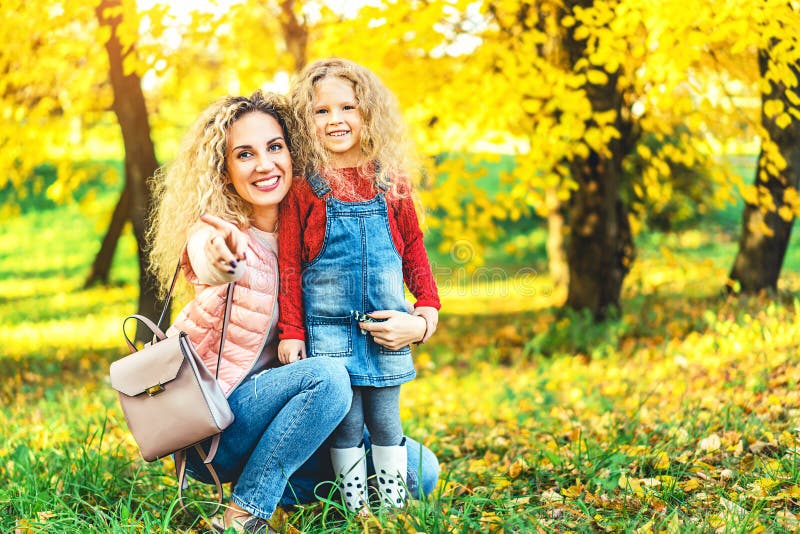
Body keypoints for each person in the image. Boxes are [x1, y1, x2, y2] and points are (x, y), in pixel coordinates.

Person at [147, 90, 438, 532]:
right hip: (222, 423)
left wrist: (417, 322)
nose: (265, 164)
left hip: (302, 418)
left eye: (275, 147)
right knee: (329, 375)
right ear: (224, 172)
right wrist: (223, 256)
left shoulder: (318, 226)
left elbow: (396, 267)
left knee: (423, 470)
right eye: (244, 154)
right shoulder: (221, 231)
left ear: (293, 150)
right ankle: (243, 514)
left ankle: (292, 485)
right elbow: (205, 256)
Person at [277, 58, 441, 512]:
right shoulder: (305, 187)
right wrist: (292, 331)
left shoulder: (390, 179)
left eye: (347, 107)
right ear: (305, 120)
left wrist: (427, 303)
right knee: (346, 426)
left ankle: (390, 508)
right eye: (321, 111)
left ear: (367, 112)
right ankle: (356, 510)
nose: (336, 120)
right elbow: (289, 264)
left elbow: (412, 248)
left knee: (387, 422)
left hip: (387, 328)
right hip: (328, 333)